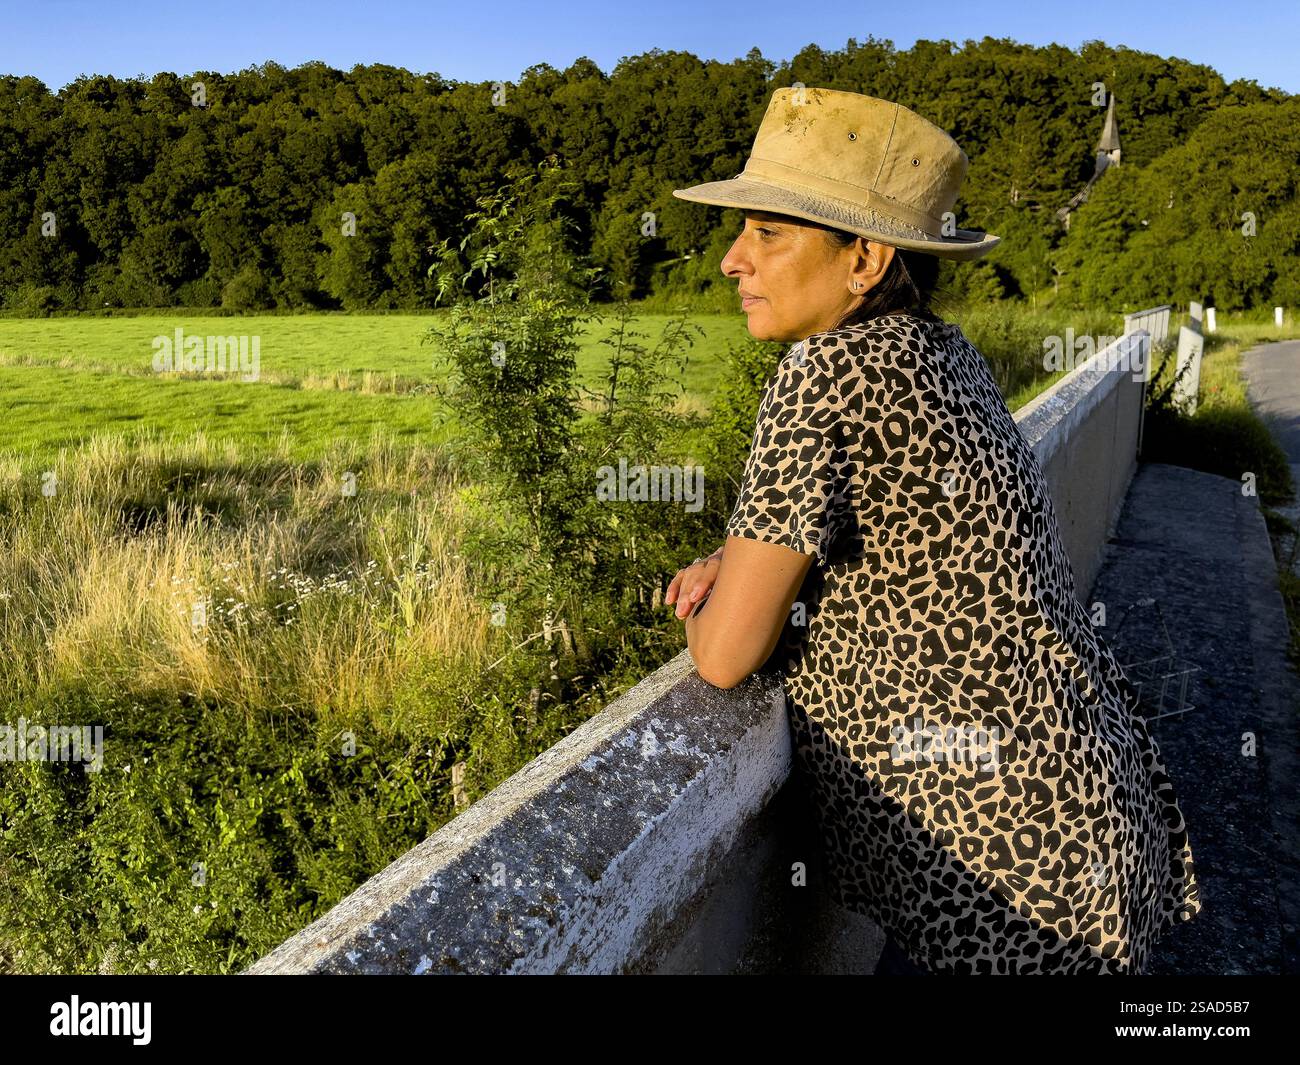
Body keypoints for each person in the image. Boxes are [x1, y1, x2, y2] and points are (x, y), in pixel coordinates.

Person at [664, 87, 1201, 974]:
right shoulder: (941, 350)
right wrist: (749, 547)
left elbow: (724, 657)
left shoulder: (820, 377)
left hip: (996, 880)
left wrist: (700, 595)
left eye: (767, 233)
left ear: (865, 259)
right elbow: (898, 518)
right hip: (1081, 811)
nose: (731, 259)